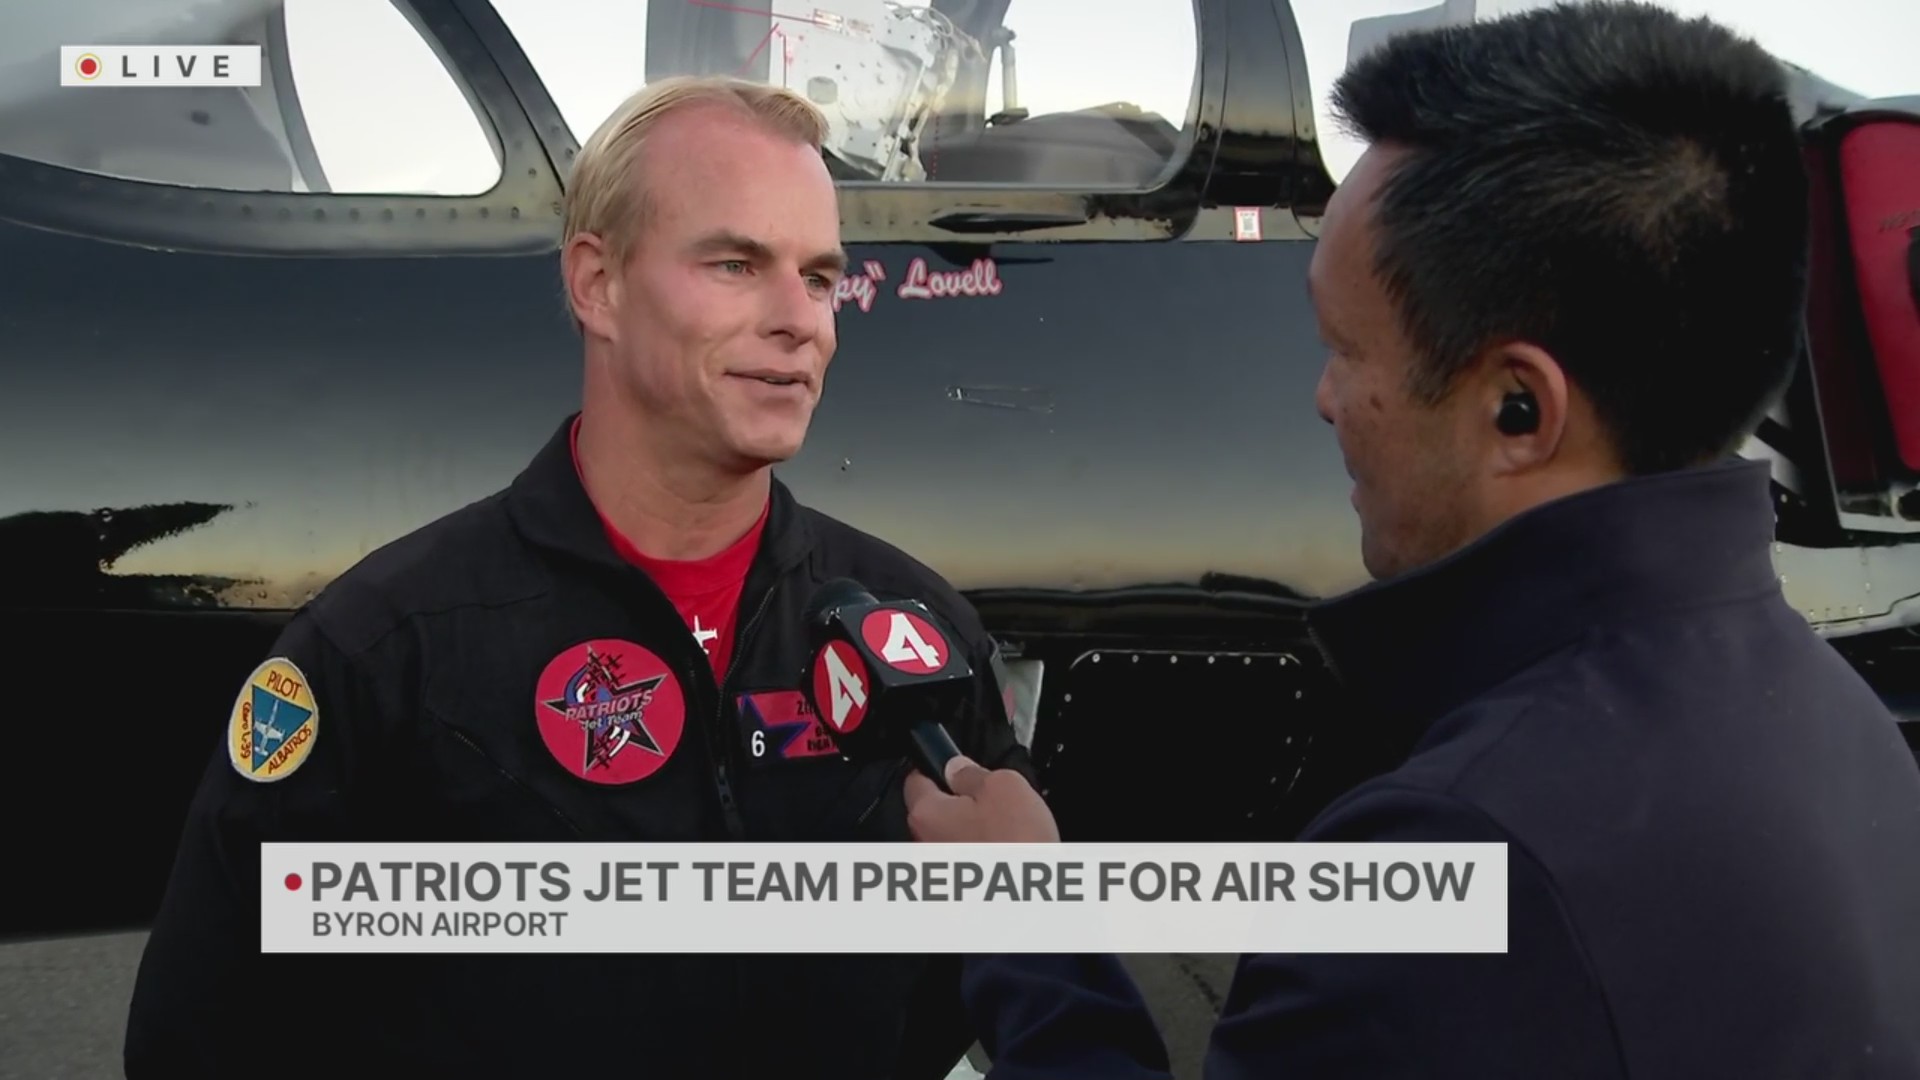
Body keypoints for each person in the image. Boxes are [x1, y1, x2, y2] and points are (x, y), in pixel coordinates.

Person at [905, 3, 1920, 1078]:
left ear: (1518, 410)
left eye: (1349, 350)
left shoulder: (1458, 859)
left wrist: (1024, 910)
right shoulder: (1846, 732)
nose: (1324, 399)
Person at [123, 75, 1033, 1079]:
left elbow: (979, 985)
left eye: (820, 278)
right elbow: (201, 1037)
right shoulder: (386, 654)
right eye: (737, 264)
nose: (802, 322)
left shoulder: (919, 634)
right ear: (597, 283)